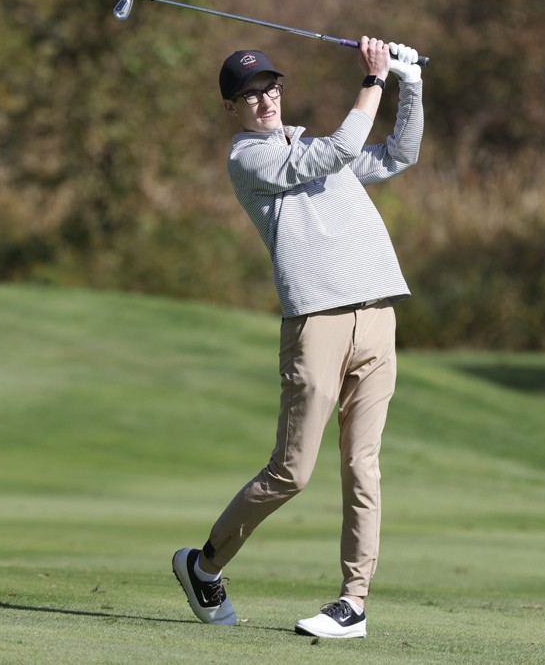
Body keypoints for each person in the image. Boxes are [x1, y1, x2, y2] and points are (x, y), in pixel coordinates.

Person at [173, 37, 424, 639]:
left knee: (364, 465)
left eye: (270, 89)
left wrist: (409, 82)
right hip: (316, 322)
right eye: (248, 94)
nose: (263, 100)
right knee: (293, 471)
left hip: (378, 315)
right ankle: (203, 565)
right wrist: (374, 80)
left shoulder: (318, 146)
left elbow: (396, 157)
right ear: (232, 108)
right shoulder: (249, 161)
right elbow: (336, 152)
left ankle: (353, 602)